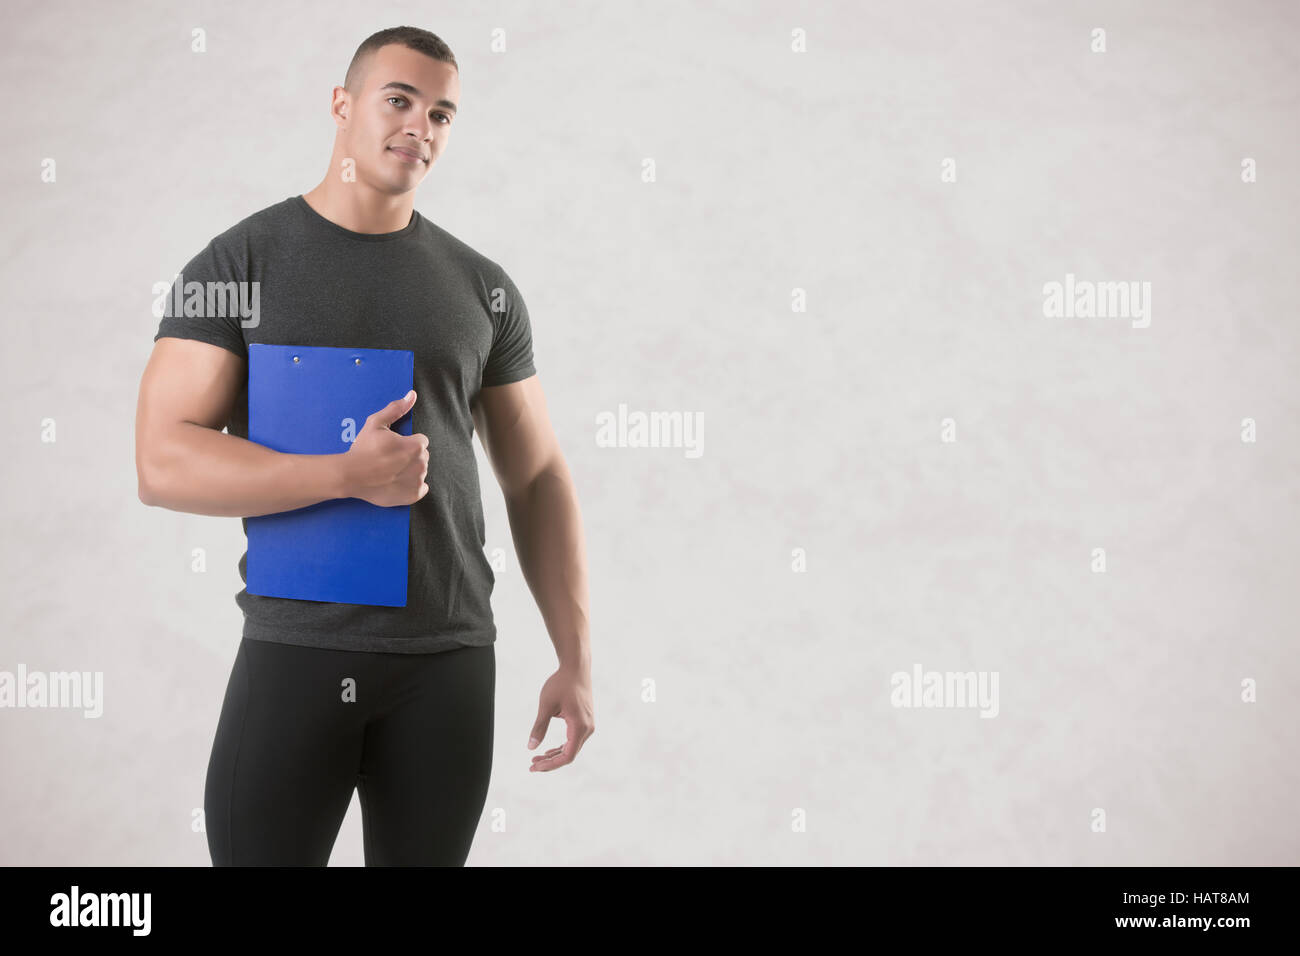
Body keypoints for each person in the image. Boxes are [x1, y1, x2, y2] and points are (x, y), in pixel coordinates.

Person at [134, 26, 594, 866]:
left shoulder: (482, 289)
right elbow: (161, 462)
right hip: (296, 655)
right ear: (342, 106)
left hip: (448, 664)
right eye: (399, 100)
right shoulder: (237, 264)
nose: (422, 125)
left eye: (443, 113)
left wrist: (576, 657)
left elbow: (538, 478)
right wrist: (344, 475)